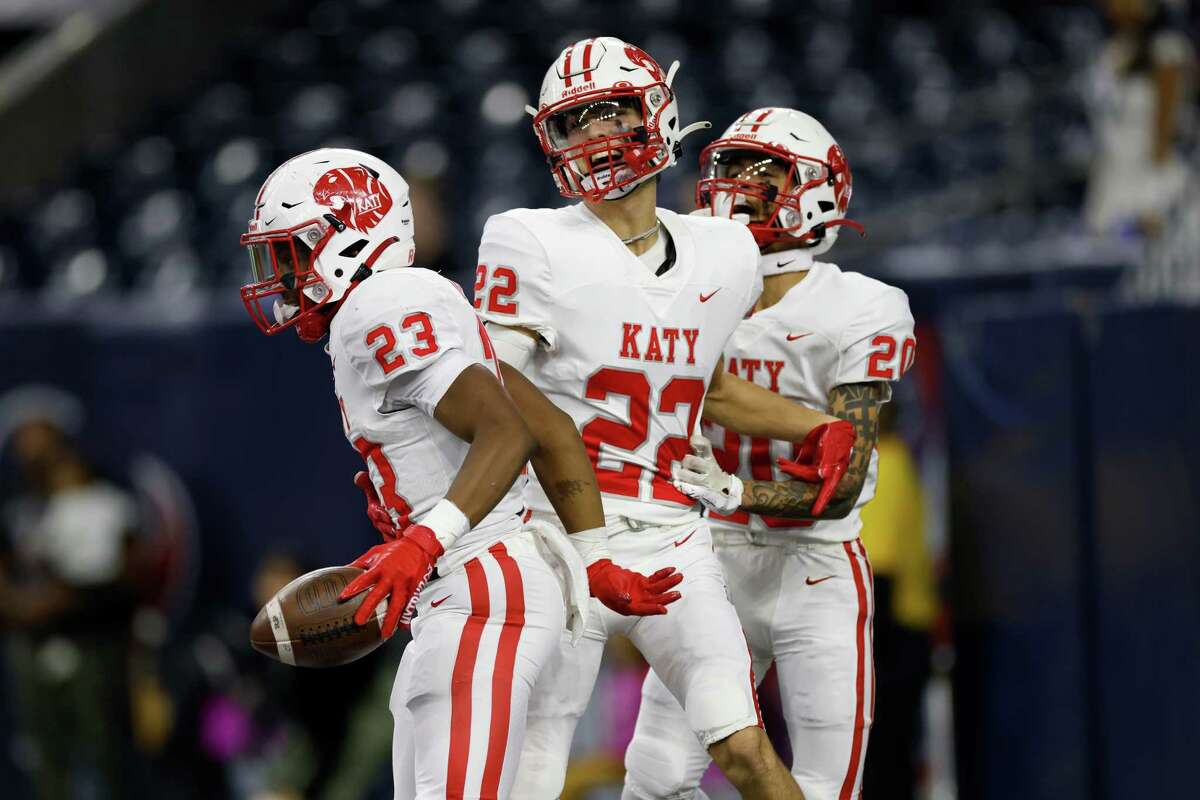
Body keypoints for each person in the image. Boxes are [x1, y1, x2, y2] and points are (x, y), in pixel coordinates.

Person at [475, 40, 855, 800]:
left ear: (659, 114)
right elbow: (490, 396)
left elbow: (707, 389)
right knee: (535, 771)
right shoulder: (528, 240)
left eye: (608, 112)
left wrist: (815, 426)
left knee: (745, 749)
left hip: (673, 533)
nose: (593, 136)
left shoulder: (725, 251)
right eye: (574, 122)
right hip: (557, 535)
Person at [238, 148, 680, 799]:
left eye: (293, 253)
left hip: (480, 587)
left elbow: (507, 433)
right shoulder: (417, 301)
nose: (282, 276)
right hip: (494, 585)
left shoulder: (380, 303)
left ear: (349, 237)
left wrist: (423, 540)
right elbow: (552, 430)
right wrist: (595, 559)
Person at [622, 108, 916, 800]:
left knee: (825, 786)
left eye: (763, 171)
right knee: (654, 777)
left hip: (815, 565)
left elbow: (842, 484)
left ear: (817, 192)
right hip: (712, 559)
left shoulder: (860, 307)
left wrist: (736, 491)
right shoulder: (688, 290)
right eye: (726, 167)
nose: (736, 185)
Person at [0, 385, 140, 800]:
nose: (29, 448)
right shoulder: (15, 508)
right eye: (21, 439)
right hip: (29, 647)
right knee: (45, 762)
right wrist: (16, 603)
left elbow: (116, 575)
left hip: (93, 646)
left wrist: (52, 601)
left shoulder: (105, 502)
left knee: (105, 757)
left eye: (37, 435)